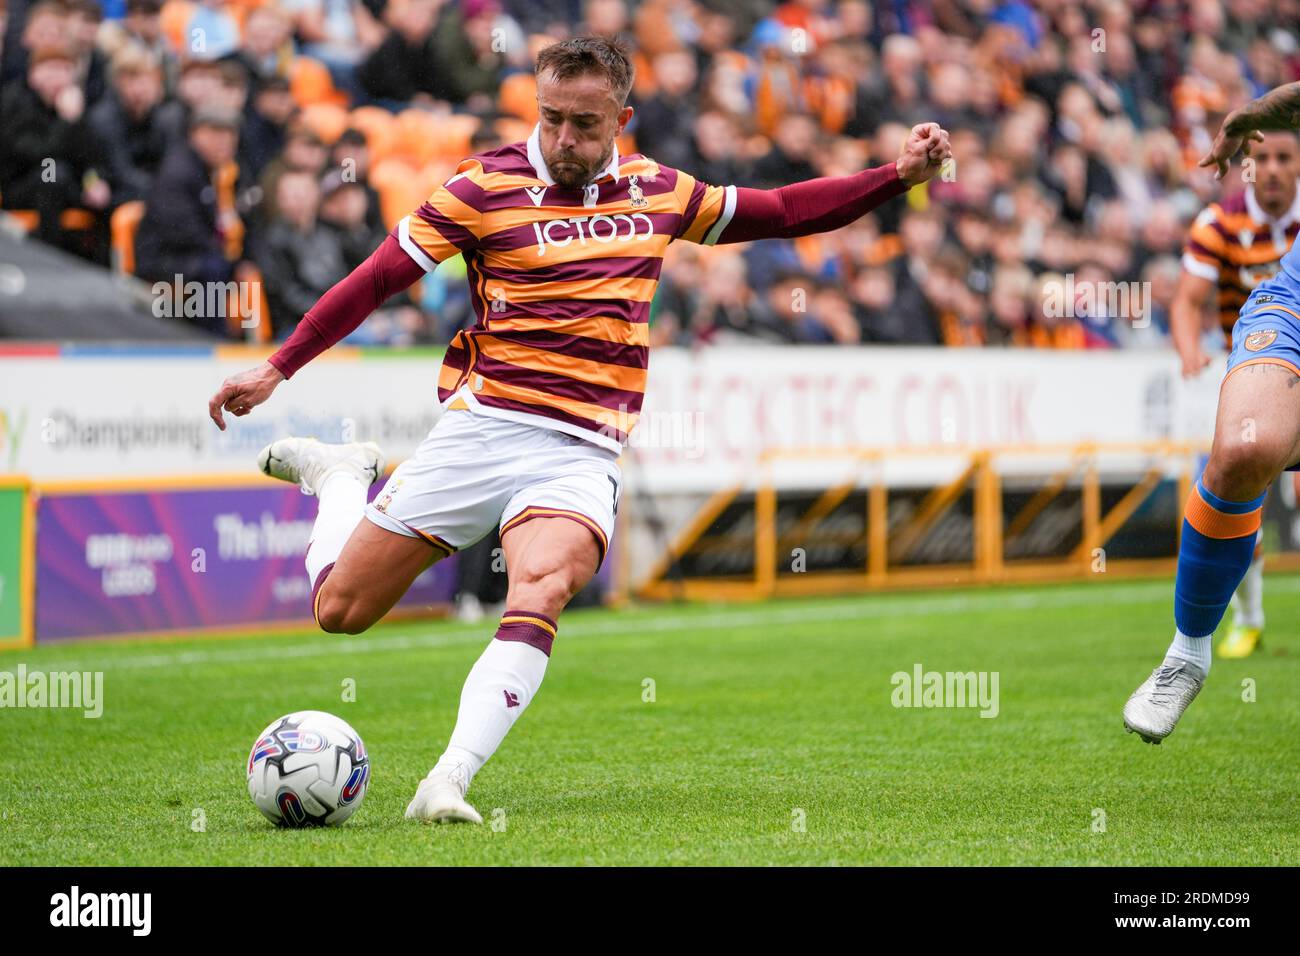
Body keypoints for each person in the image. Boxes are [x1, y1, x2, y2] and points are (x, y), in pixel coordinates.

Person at [207, 36, 950, 822]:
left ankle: (446, 781)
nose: (564, 139)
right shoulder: (482, 186)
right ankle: (341, 479)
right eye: (552, 118)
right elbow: (377, 279)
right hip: (483, 426)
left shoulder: (661, 192)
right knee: (340, 612)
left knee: (543, 584)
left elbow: (782, 212)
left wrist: (897, 177)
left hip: (580, 446)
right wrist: (278, 368)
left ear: (621, 117)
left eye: (585, 124)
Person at [1123, 80, 1300, 744]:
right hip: (1289, 312)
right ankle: (1188, 653)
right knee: (1243, 452)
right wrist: (1251, 117)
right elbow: (1188, 300)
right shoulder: (1221, 222)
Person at [1172, 129, 1300, 660]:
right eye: (1261, 158)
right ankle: (1247, 617)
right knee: (1233, 487)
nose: (1271, 169)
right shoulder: (1217, 223)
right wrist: (1186, 350)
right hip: (1244, 377)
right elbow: (1187, 300)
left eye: (1284, 158)